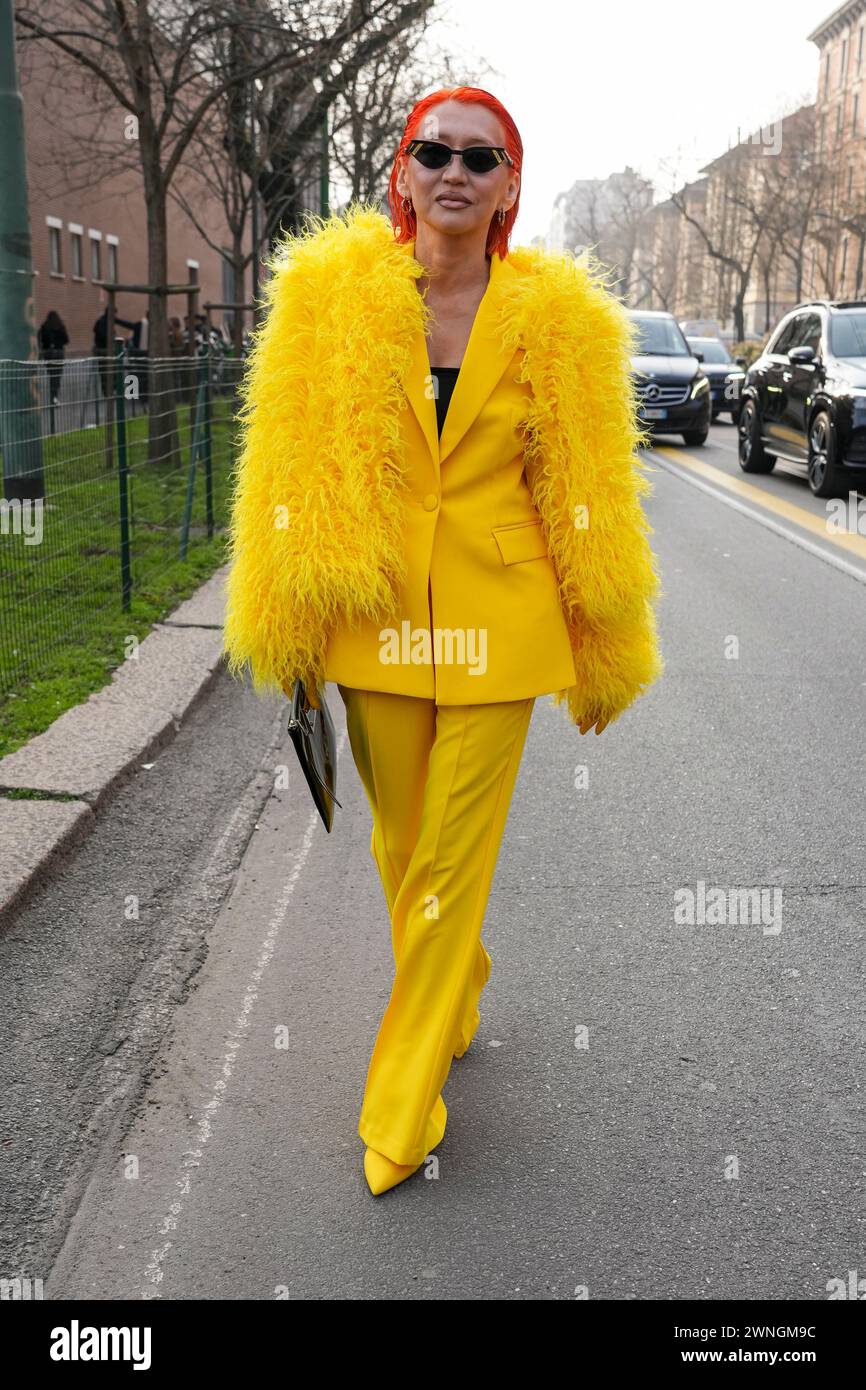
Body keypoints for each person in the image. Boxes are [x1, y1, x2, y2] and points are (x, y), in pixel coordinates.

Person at [222, 86, 664, 1197]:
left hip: (499, 624)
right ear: (402, 175)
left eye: (480, 155)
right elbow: (283, 460)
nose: (454, 170)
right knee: (399, 850)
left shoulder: (556, 318)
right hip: (374, 616)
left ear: (509, 185)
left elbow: (586, 490)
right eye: (434, 151)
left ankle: (399, 1106)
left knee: (451, 858)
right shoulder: (330, 298)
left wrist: (601, 630)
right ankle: (457, 980)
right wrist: (282, 613)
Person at [37, 310, 69, 404]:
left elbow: (40, 340)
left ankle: (53, 395)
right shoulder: (60, 327)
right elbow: (66, 340)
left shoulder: (44, 327)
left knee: (52, 375)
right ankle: (54, 396)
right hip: (59, 353)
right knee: (57, 376)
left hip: (48, 354)